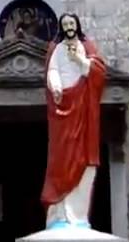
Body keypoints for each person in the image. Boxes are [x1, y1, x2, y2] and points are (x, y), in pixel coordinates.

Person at [42, 13, 106, 229]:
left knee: (85, 161)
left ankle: (78, 216)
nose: (69, 27)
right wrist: (56, 87)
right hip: (63, 109)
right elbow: (51, 70)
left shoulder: (87, 46)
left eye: (72, 23)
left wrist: (80, 60)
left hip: (83, 106)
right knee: (62, 156)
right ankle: (59, 215)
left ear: (77, 25)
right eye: (65, 24)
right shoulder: (57, 49)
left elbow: (99, 71)